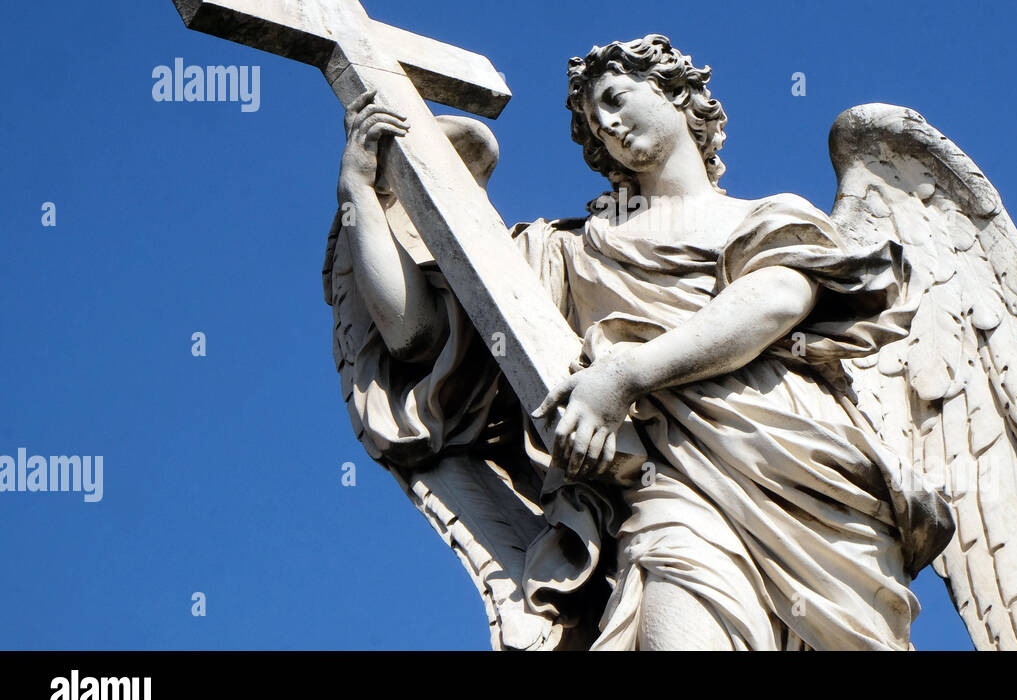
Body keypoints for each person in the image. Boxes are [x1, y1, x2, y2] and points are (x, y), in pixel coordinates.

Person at [336, 34, 953, 650]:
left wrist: (625, 376)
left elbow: (775, 302)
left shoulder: (766, 214)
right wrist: (362, 197)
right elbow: (416, 334)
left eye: (616, 97)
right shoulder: (568, 251)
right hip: (673, 480)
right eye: (592, 121)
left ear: (676, 93)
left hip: (812, 477)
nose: (606, 123)